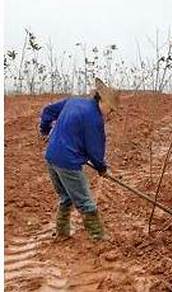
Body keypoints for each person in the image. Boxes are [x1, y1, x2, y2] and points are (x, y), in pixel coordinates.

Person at [39, 78, 120, 241]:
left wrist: (45, 130)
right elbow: (95, 151)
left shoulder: (73, 101)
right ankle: (98, 238)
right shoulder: (95, 120)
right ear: (102, 101)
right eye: (110, 110)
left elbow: (47, 111)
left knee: (65, 197)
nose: (109, 114)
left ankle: (62, 234)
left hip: (51, 157)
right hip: (68, 163)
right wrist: (101, 167)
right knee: (85, 202)